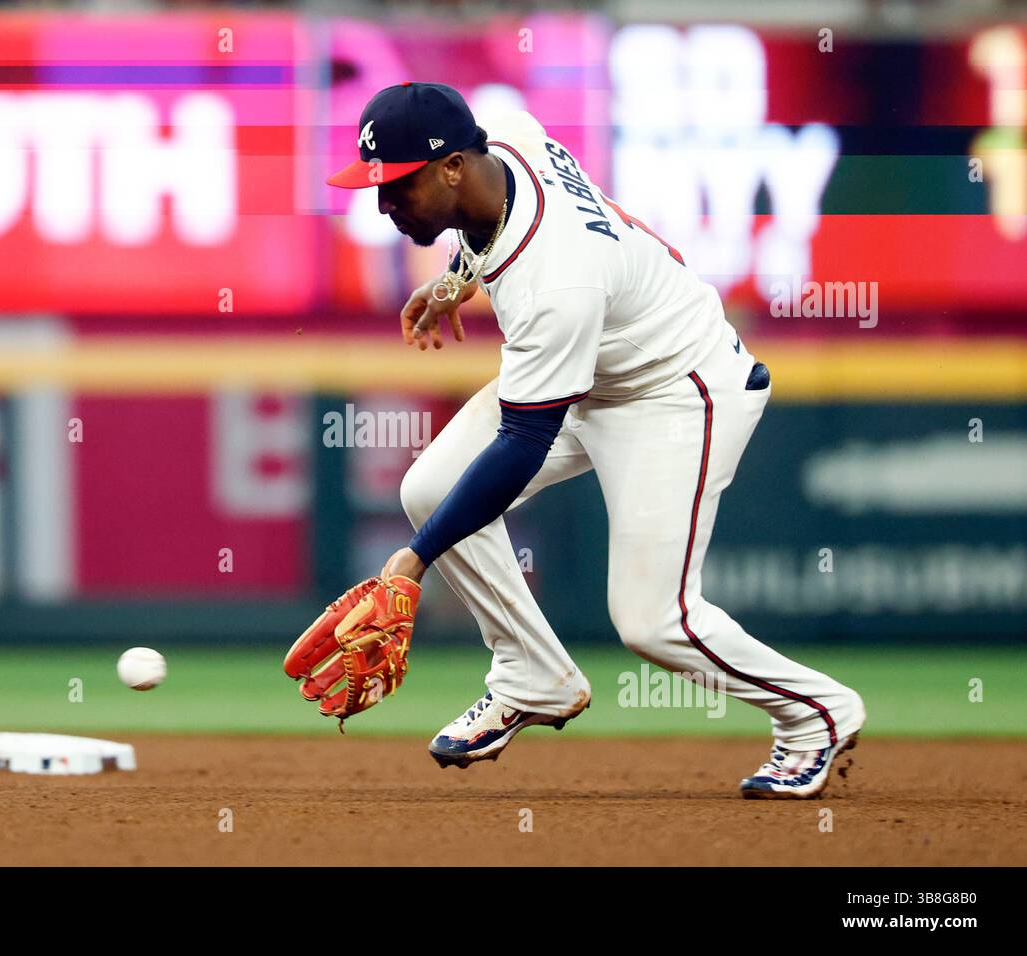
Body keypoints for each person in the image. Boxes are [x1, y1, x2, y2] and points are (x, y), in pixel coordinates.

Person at [325, 82, 864, 798]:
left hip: (677, 391)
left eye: (399, 184)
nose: (385, 202)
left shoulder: (557, 279)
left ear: (454, 165)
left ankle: (816, 714)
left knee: (653, 621)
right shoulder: (507, 136)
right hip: (594, 367)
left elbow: (520, 445)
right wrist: (459, 278)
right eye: (377, 184)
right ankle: (533, 673)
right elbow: (494, 223)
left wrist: (410, 564)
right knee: (428, 488)